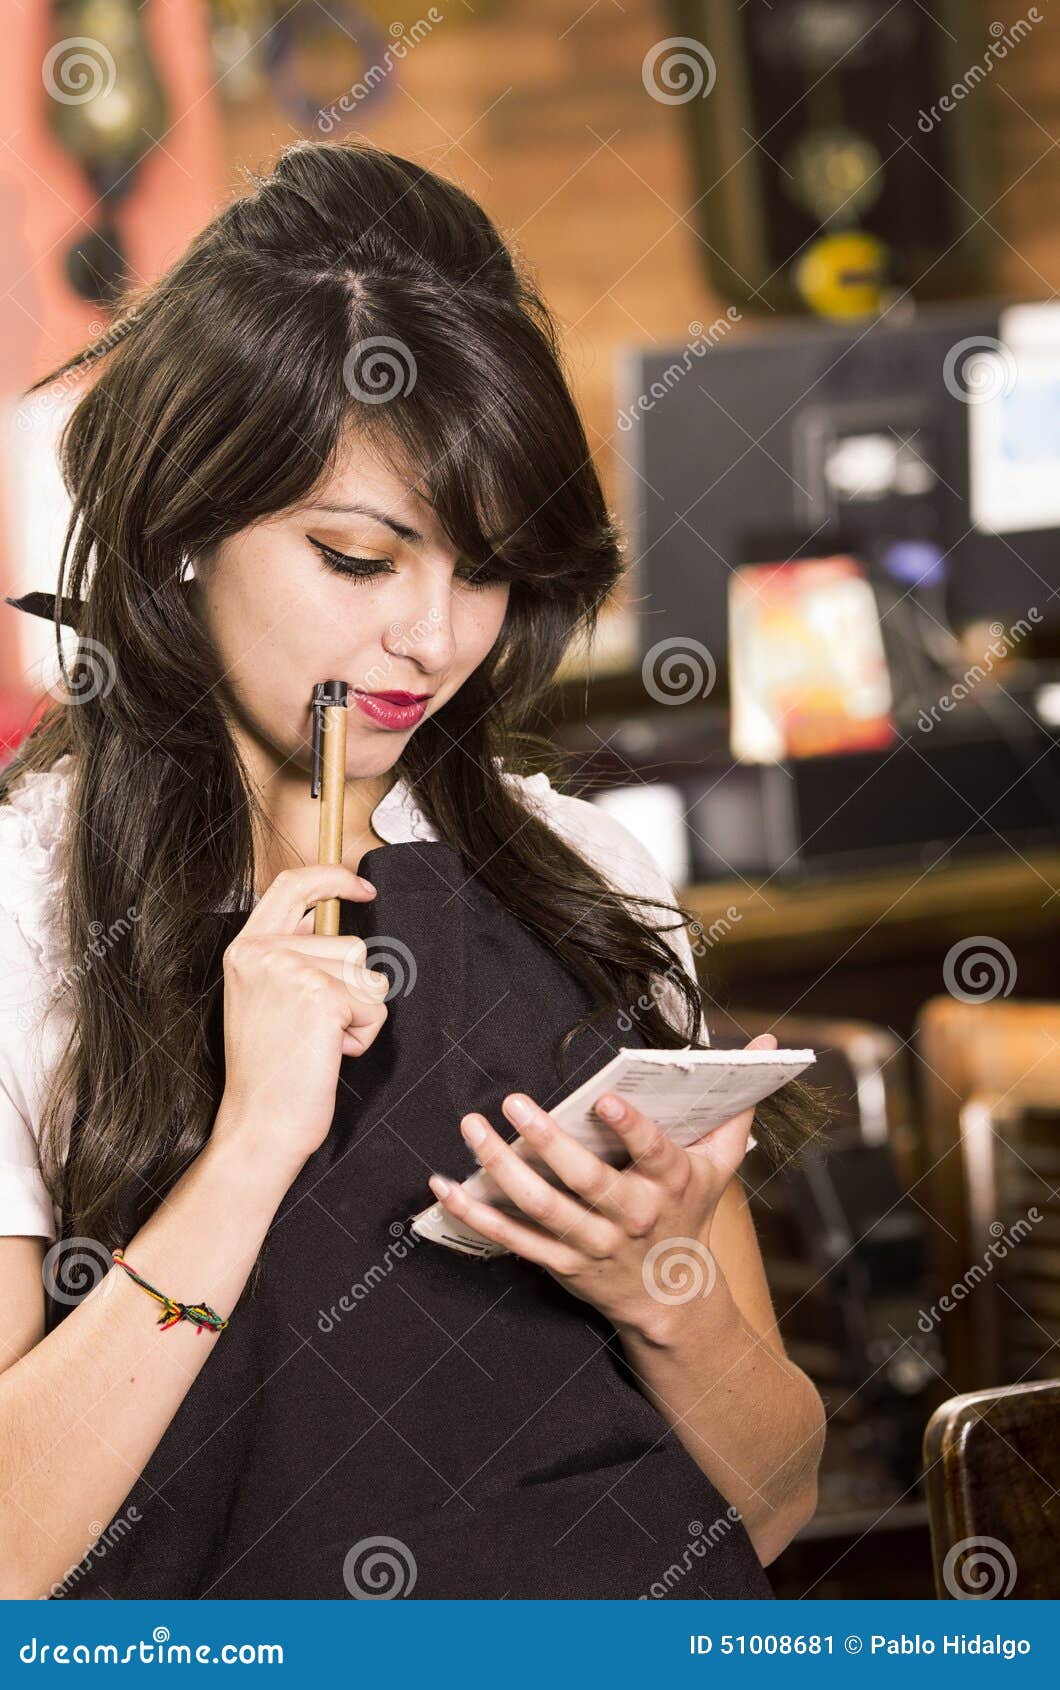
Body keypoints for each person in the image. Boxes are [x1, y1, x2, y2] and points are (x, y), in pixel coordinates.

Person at [0, 139, 824, 1601]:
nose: (435, 641)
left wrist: (658, 1288)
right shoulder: (21, 916)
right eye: (359, 558)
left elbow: (773, 1504)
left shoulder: (582, 868)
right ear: (188, 521)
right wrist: (250, 1145)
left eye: (485, 566)